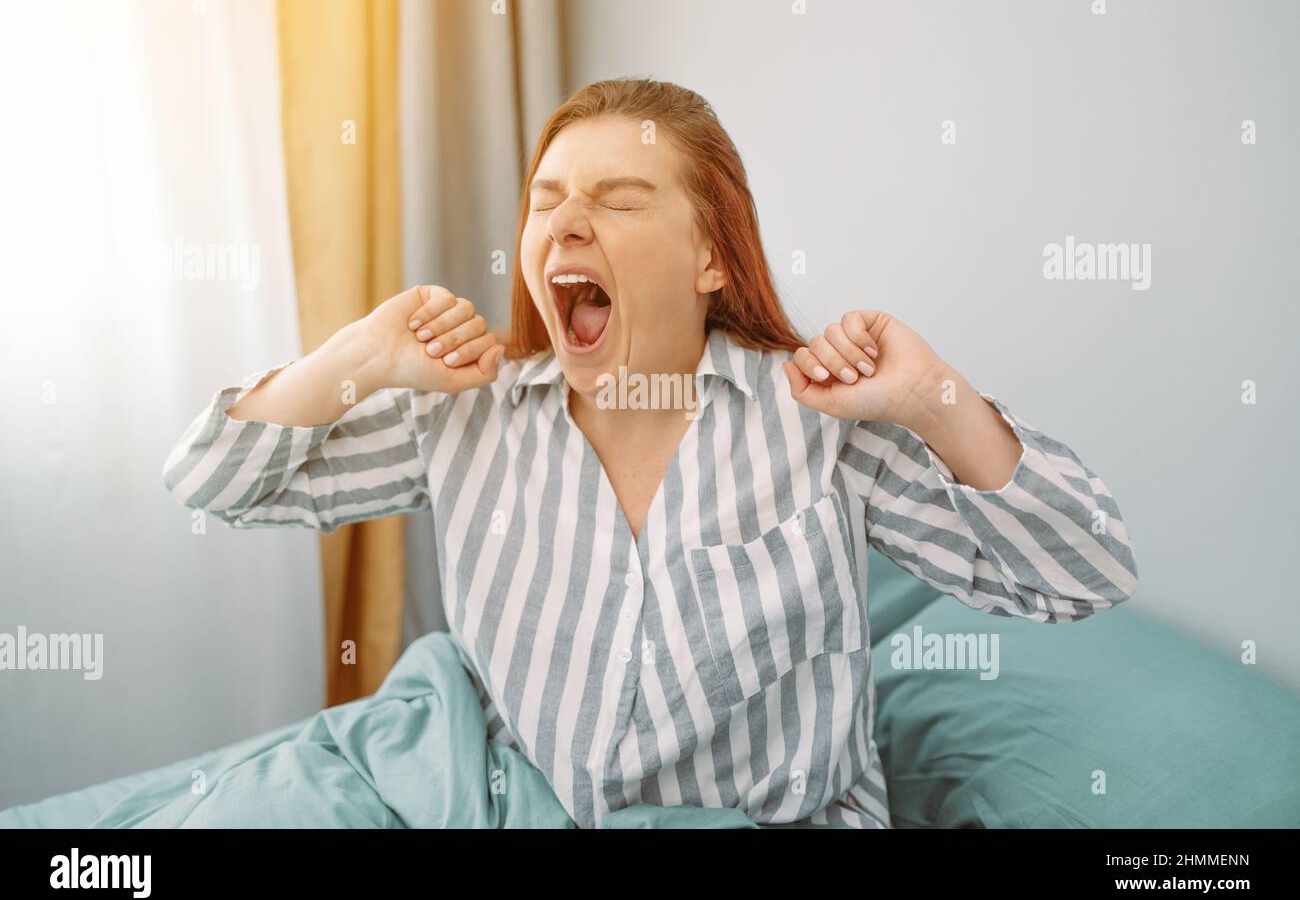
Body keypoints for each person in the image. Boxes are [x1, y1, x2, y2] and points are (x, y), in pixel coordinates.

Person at [162, 77, 1138, 828]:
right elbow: (213, 483)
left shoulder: (820, 418)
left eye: (619, 199)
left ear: (711, 258)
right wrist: (360, 356)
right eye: (545, 201)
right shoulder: (468, 412)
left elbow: (1085, 573)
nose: (565, 222)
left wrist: (934, 396)